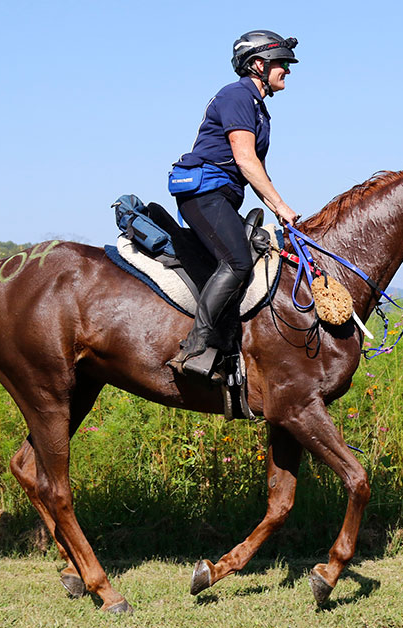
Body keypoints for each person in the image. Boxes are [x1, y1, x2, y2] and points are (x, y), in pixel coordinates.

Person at [166, 30, 301, 378]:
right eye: (281, 63)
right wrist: (280, 206)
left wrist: (276, 207)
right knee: (237, 261)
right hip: (204, 193)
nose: (286, 69)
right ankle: (195, 346)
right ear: (258, 65)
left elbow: (258, 172)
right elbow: (245, 159)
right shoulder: (237, 96)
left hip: (224, 195)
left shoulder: (258, 107)